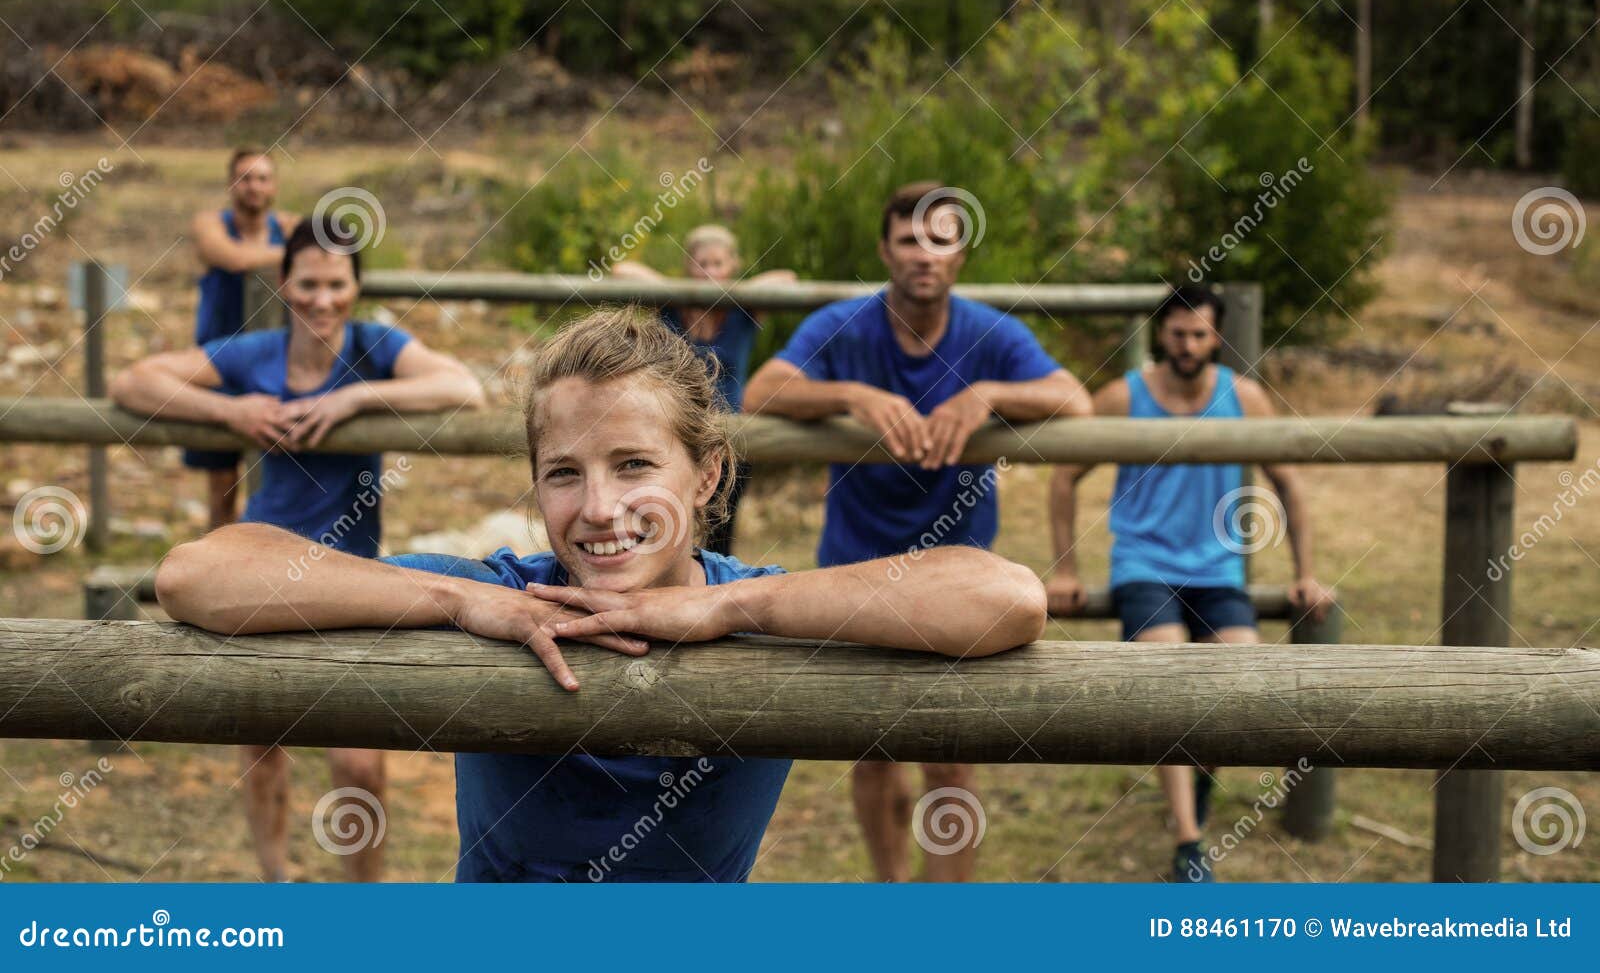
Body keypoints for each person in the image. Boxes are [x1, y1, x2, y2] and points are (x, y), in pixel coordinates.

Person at [151, 308, 1048, 883]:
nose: (599, 509)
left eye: (633, 465)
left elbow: (1003, 595)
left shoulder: (761, 609)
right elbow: (196, 574)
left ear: (709, 472)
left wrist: (731, 610)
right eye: (563, 474)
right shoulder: (503, 593)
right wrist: (455, 602)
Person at [110, 214, 486, 882]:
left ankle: (361, 907)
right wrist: (233, 412)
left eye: (336, 283)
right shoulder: (256, 354)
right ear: (284, 283)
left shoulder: (375, 347)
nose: (322, 298)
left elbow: (463, 385)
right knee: (260, 740)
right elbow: (135, 381)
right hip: (261, 562)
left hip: (351, 578)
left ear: (355, 287)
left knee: (359, 760)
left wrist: (354, 402)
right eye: (308, 282)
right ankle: (276, 881)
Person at [742, 181, 1091, 883]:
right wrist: (851, 393)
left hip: (953, 572)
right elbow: (760, 392)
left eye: (941, 240)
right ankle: (890, 892)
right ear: (885, 249)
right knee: (871, 748)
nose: (924, 255)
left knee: (951, 752)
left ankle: (946, 916)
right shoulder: (844, 325)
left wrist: (988, 393)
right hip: (855, 568)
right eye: (909, 239)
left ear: (960, 255)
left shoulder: (990, 334)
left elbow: (1073, 397)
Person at [1045, 283, 1332, 883]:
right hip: (1145, 564)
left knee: (1235, 690)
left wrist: (1305, 574)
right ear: (1160, 335)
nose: (1189, 345)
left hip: (1218, 568)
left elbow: (1290, 483)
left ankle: (1195, 793)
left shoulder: (1244, 398)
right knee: (1168, 684)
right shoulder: (1123, 397)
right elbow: (1064, 473)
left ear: (1217, 337)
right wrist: (1065, 567)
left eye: (1200, 334)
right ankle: (1188, 843)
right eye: (1178, 333)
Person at [610, 224, 797, 554]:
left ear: (732, 266)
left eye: (717, 264)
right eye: (701, 264)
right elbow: (621, 270)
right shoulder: (671, 306)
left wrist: (733, 291)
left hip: (731, 437)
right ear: (688, 267)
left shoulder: (743, 311)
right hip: (673, 432)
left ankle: (711, 592)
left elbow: (787, 279)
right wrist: (677, 290)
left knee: (721, 529)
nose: (709, 272)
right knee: (668, 520)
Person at [184, 148, 299, 532]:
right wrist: (288, 256)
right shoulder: (210, 223)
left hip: (274, 363)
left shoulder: (289, 226)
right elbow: (229, 256)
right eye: (245, 178)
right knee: (221, 485)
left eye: (263, 178)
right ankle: (216, 570)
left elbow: (328, 255)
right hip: (218, 364)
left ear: (275, 185)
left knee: (275, 478)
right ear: (232, 184)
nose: (254, 187)